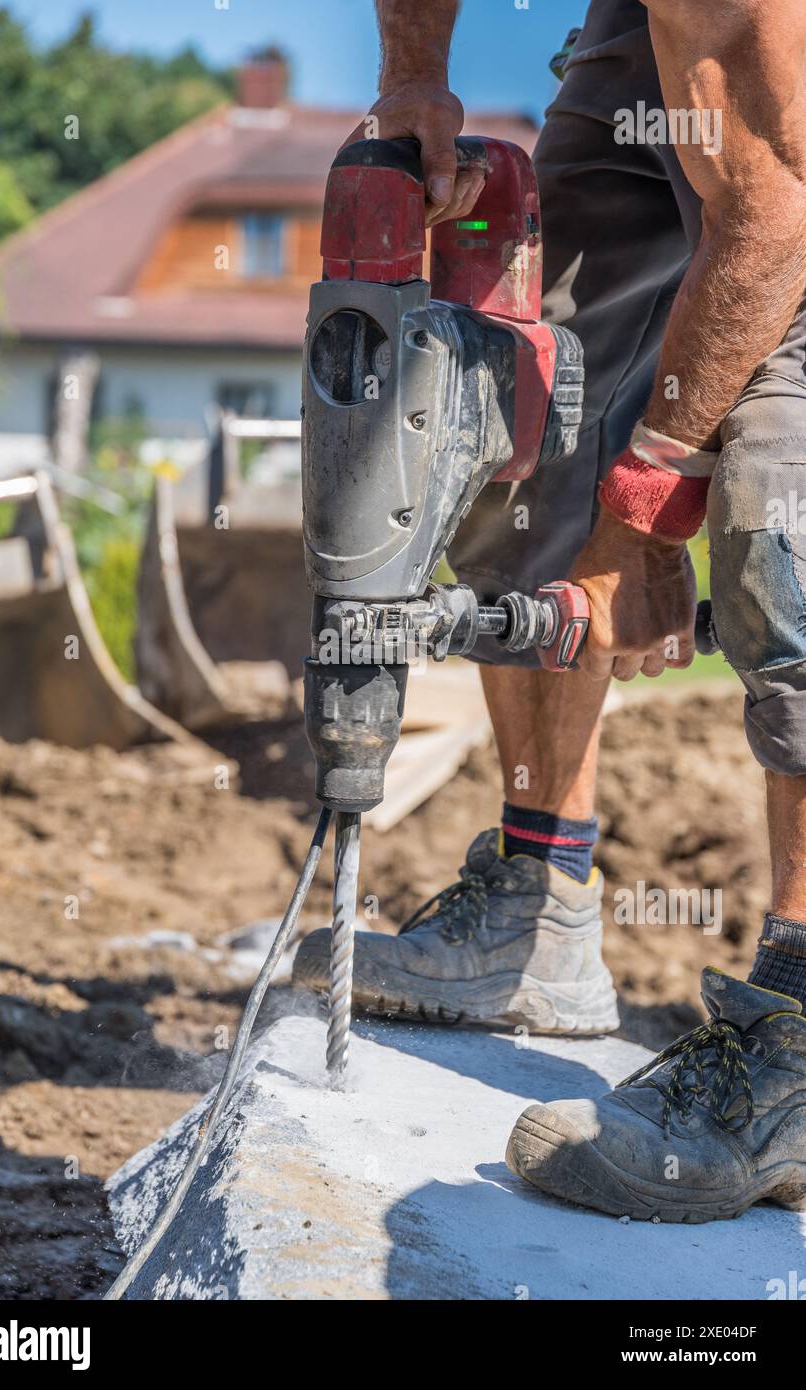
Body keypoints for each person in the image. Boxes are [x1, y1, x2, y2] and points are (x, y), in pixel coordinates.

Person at [294, 0, 806, 1222]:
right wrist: (412, 80)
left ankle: (797, 1041)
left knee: (776, 494)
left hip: (774, 106)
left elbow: (774, 207)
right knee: (523, 367)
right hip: (671, 34)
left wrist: (643, 516)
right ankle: (542, 903)